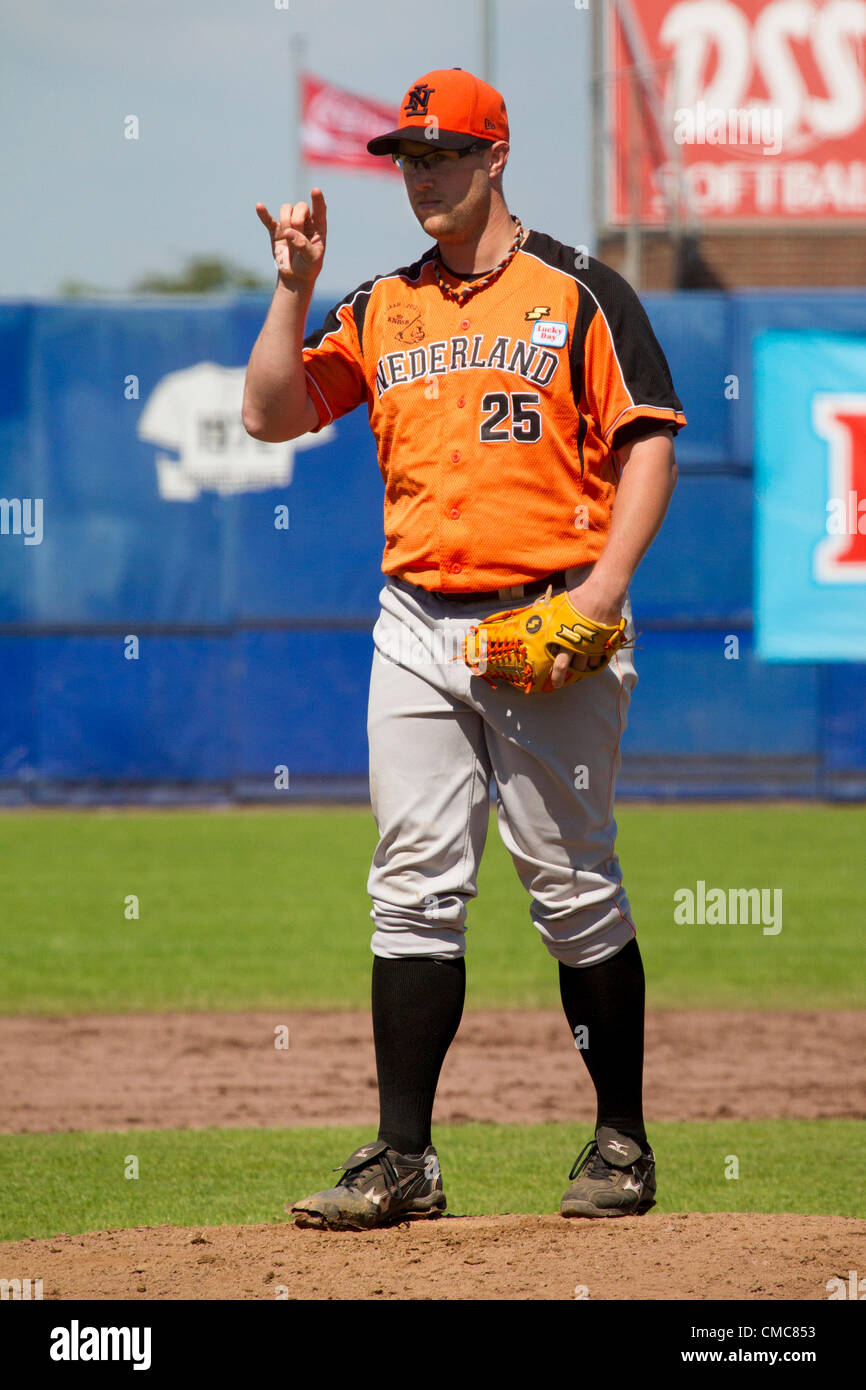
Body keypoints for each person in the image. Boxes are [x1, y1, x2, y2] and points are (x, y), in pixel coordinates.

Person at [243, 67, 686, 1229]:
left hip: (547, 621)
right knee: (410, 890)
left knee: (573, 891)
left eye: (440, 153)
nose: (420, 174)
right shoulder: (381, 304)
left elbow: (646, 446)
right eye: (406, 157)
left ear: (494, 156)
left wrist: (601, 591)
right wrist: (291, 292)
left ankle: (620, 1139)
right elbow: (270, 414)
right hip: (414, 624)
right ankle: (401, 1158)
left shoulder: (580, 292)